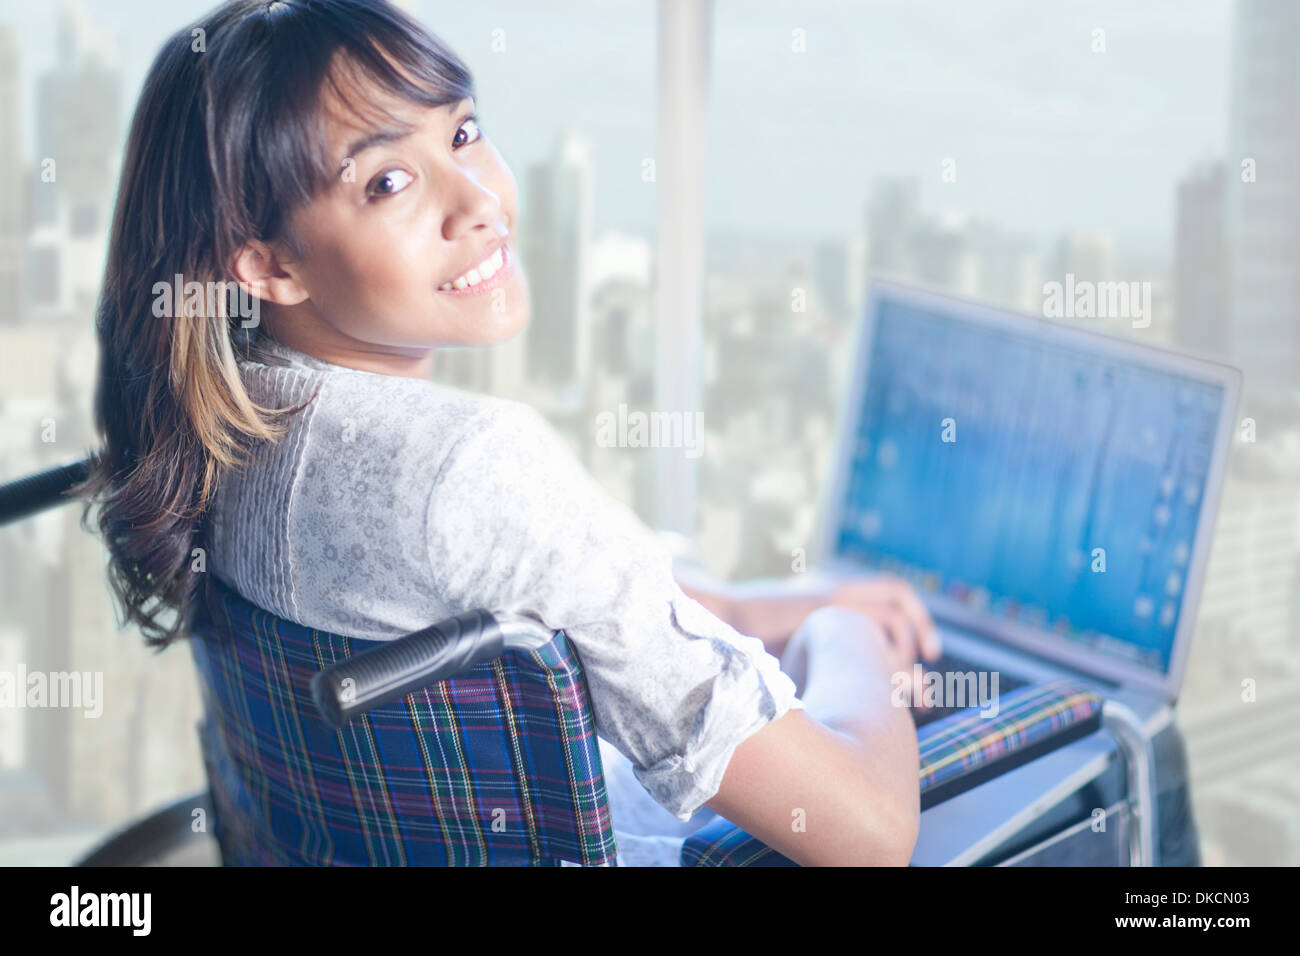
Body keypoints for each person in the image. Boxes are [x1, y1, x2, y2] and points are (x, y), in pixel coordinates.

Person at [77, 0, 935, 867]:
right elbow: (867, 835)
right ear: (268, 263)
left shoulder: (215, 430)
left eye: (461, 134)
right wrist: (843, 628)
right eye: (386, 182)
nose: (479, 201)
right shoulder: (471, 468)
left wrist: (746, 611)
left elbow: (541, 587)